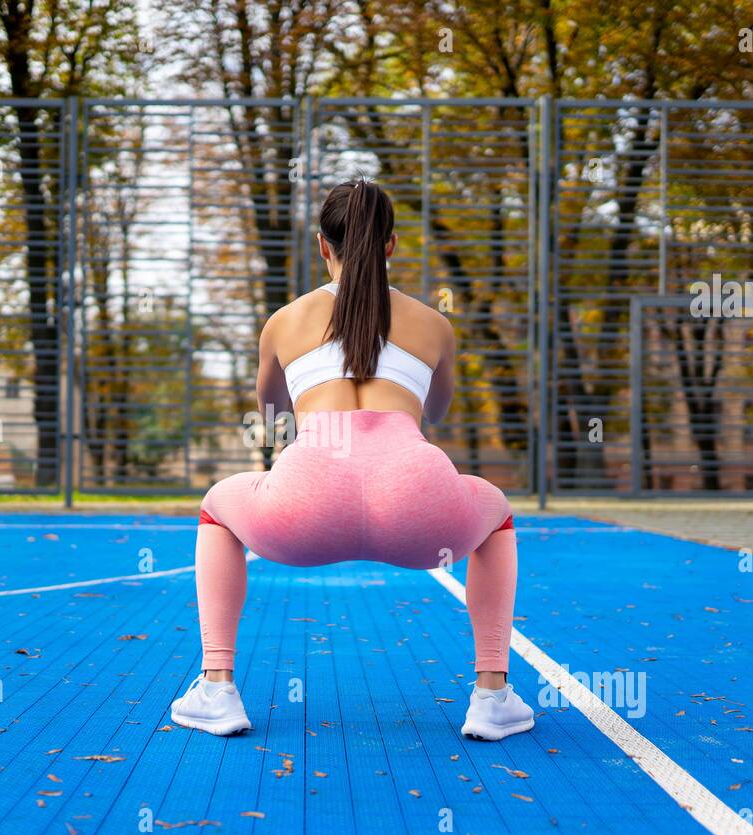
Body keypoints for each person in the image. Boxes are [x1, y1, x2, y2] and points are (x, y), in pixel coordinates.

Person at [172, 179, 532, 742]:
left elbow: (271, 417)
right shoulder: (435, 324)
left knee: (217, 508)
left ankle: (218, 687)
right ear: (390, 246)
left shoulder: (283, 321)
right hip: (417, 503)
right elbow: (436, 412)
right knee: (498, 514)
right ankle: (492, 696)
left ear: (323, 246)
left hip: (308, 502)